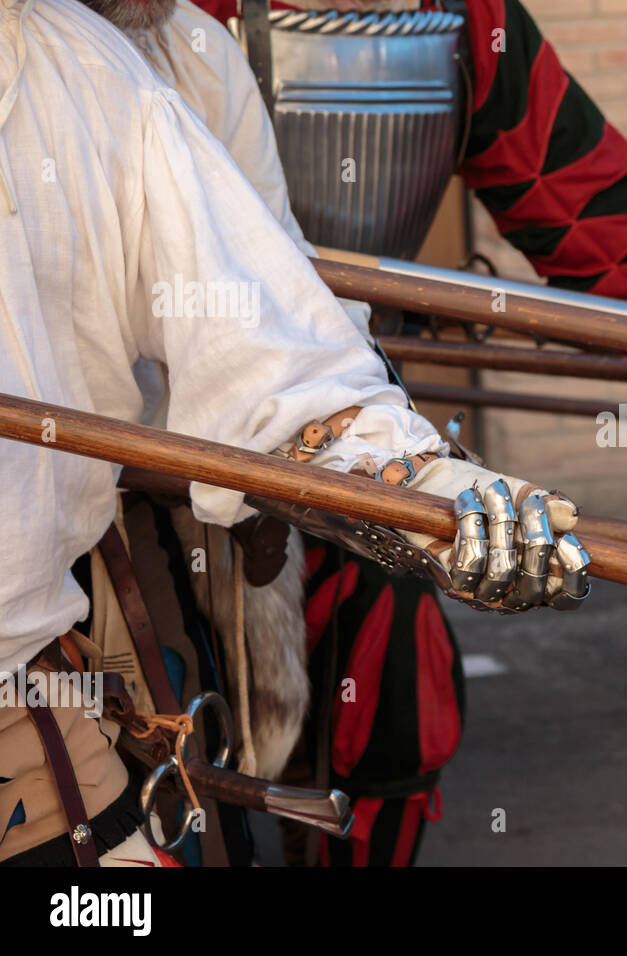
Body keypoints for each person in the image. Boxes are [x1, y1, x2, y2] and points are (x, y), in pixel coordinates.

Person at [79, 0, 627, 866]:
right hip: (166, 439)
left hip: (362, 411)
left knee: (393, 692)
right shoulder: (165, 20)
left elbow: (579, 193)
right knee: (163, 742)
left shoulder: (464, 14)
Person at [0, 0, 585, 866]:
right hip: (128, 511)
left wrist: (417, 486)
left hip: (46, 672)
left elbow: (267, 337)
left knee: (386, 671)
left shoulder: (81, 67)